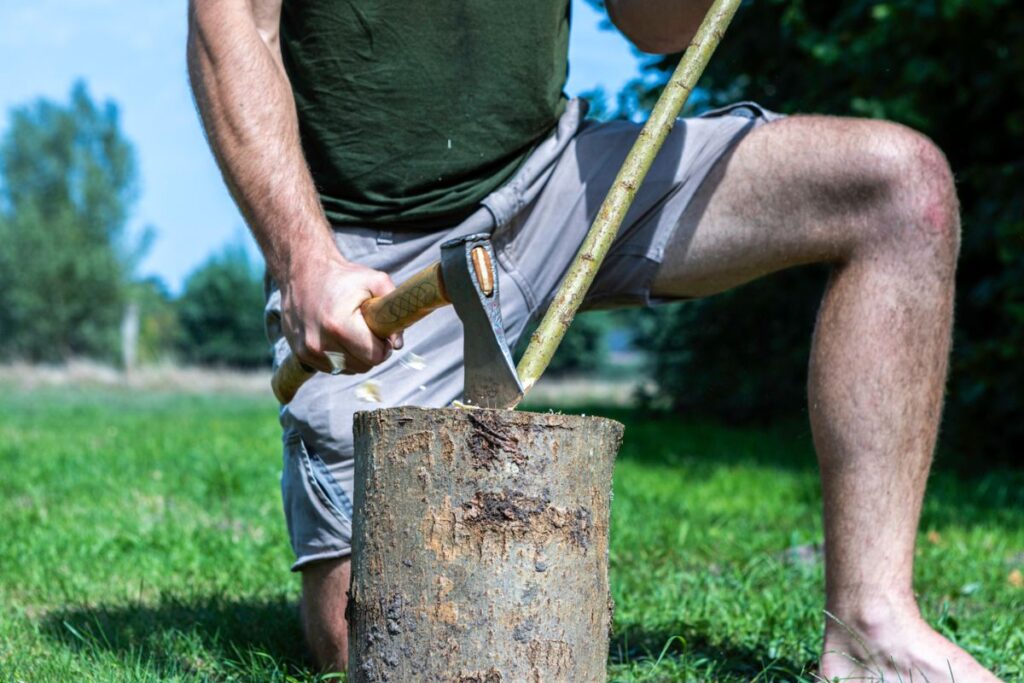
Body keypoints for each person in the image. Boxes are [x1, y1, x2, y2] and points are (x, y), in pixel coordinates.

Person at [186, 0, 1003, 679]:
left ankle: (873, 630)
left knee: (902, 191)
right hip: (371, 255)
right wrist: (303, 259)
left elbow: (657, 26)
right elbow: (230, 23)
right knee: (377, 637)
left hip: (556, 181)